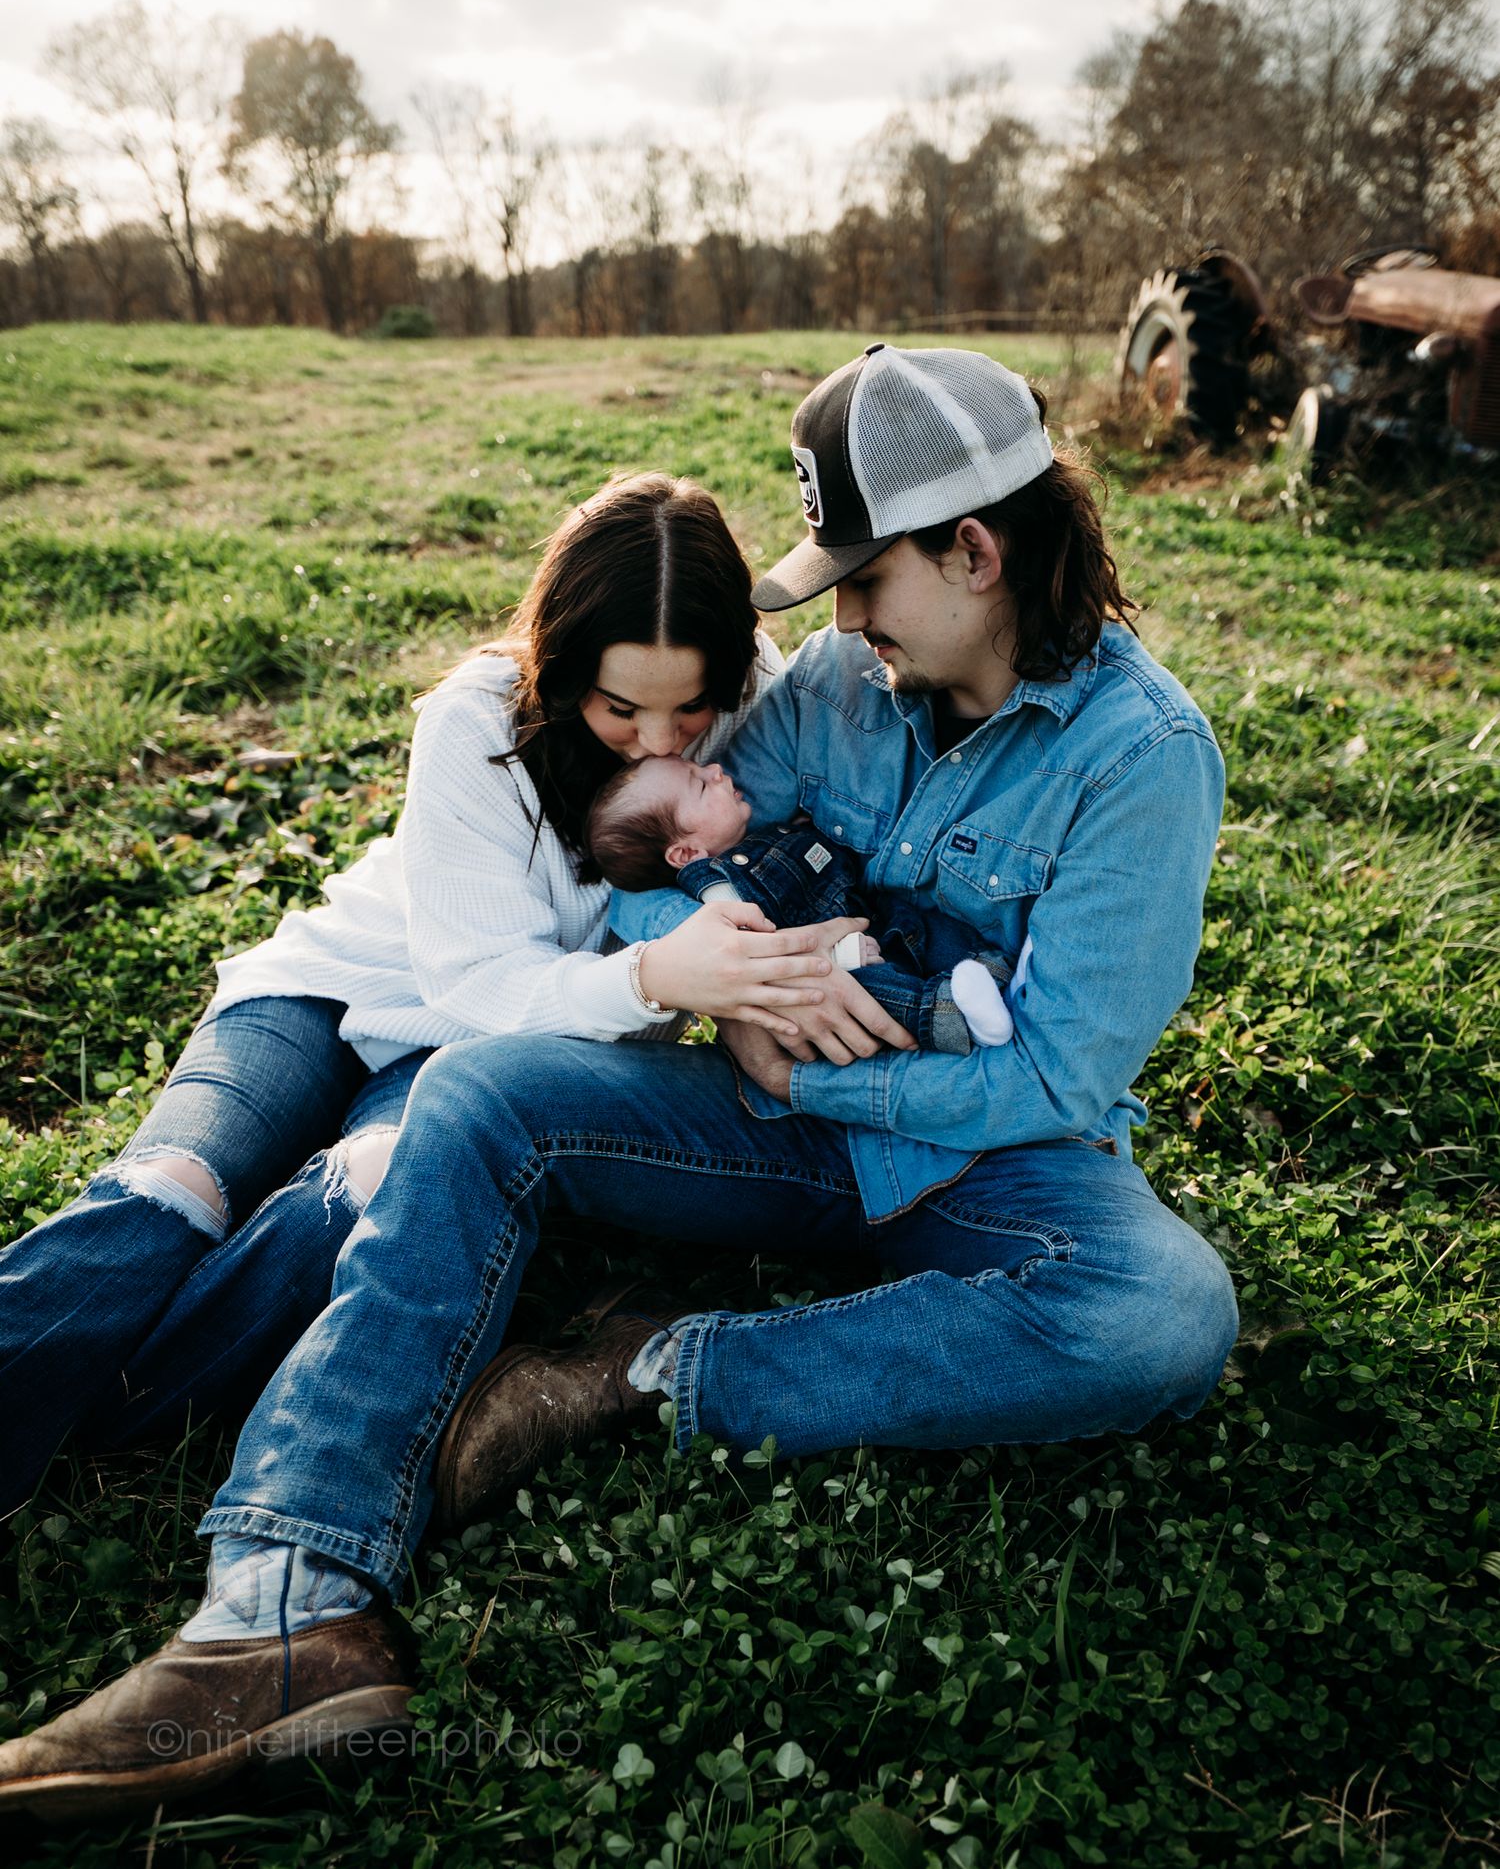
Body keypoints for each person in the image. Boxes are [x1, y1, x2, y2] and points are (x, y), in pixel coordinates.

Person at [0, 348, 1239, 1820]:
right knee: (475, 1094)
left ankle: (641, 1362)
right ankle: (283, 1600)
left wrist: (809, 1066)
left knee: (1165, 1311)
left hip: (987, 1144)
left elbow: (1057, 1069)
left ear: (973, 552)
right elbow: (656, 870)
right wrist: (721, 980)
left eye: (861, 578)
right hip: (754, 1108)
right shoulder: (842, 684)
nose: (840, 619)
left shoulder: (1144, 758)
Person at [0, 471, 840, 1514]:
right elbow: (472, 977)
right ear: (564, 660)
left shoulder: (758, 698)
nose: (663, 741)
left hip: (459, 1068)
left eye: (690, 708)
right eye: (622, 707)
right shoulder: (476, 720)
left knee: (362, 1188)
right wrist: (650, 979)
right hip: (332, 990)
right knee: (176, 1189)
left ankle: (83, 1408)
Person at [586, 750, 1023, 1051]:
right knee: (865, 998)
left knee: (925, 929)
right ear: (686, 854)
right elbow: (765, 944)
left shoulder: (766, 832)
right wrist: (840, 953)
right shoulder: (718, 889)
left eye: (703, 769)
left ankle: (989, 970)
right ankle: (948, 1017)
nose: (716, 769)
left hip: (873, 916)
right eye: (700, 785)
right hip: (840, 963)